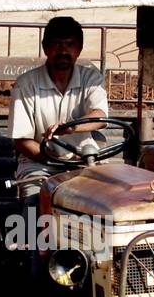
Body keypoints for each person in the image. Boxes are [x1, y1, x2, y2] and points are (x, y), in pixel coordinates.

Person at [9, 16, 110, 196]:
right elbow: (21, 140)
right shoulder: (26, 84)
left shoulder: (92, 79)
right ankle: (30, 224)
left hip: (85, 160)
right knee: (34, 200)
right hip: (39, 165)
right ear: (45, 48)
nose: (63, 51)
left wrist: (71, 128)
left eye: (69, 44)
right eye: (56, 44)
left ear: (78, 49)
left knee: (107, 197)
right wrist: (49, 157)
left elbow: (100, 116)